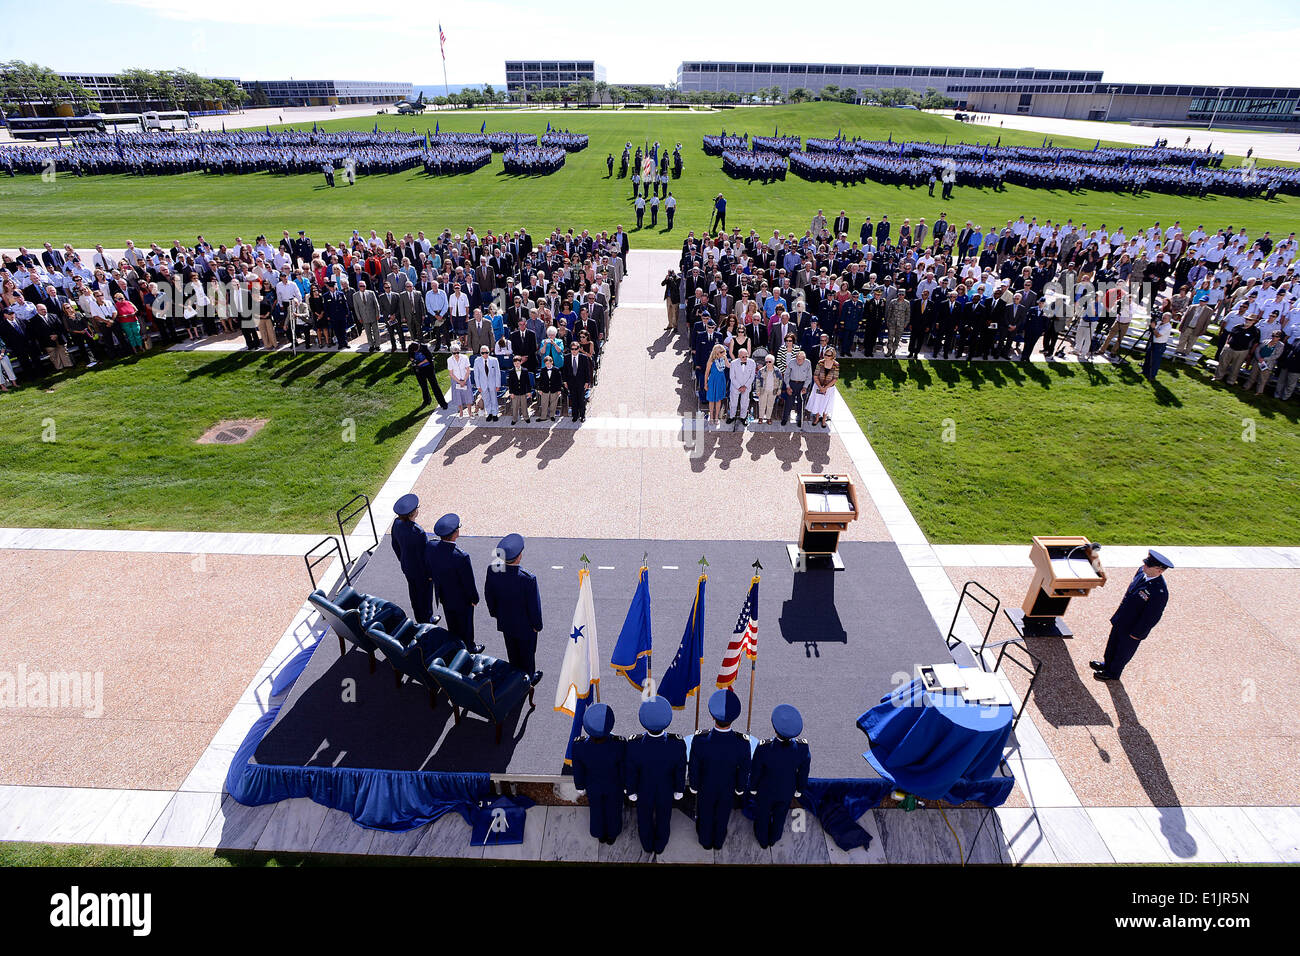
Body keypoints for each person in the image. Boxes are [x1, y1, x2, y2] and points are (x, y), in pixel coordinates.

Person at [1091, 550, 1172, 682]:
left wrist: (1137, 633)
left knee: (1123, 652)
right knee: (1112, 644)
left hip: (1133, 628)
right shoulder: (1141, 572)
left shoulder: (1159, 591)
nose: (1144, 566)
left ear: (1159, 571)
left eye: (1148, 565)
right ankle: (1107, 665)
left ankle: (1113, 673)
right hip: (1122, 619)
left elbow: (1152, 617)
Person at [687, 689, 751, 850]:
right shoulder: (742, 743)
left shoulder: (700, 740)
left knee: (705, 814)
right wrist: (739, 788)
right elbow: (744, 769)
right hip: (727, 789)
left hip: (705, 787)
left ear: (712, 716)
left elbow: (694, 767)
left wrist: (694, 786)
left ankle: (705, 841)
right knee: (722, 816)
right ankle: (718, 842)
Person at [624, 696, 686, 857]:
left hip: (643, 790)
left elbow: (631, 770)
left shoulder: (634, 744)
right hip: (666, 790)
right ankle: (660, 844)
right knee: (664, 818)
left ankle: (646, 844)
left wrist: (631, 791)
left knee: (644, 818)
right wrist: (679, 789)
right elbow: (680, 769)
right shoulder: (677, 744)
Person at [483, 532, 543, 684]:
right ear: (519, 556)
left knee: (512, 652)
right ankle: (528, 681)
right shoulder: (528, 579)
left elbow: (489, 595)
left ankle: (514, 681)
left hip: (505, 621)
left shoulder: (493, 570)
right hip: (525, 627)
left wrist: (495, 613)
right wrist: (537, 626)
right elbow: (534, 606)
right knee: (528, 656)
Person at [750, 704, 811, 849]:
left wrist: (753, 787)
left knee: (762, 815)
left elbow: (756, 770)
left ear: (775, 728)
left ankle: (762, 839)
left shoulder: (764, 747)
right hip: (786, 791)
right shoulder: (802, 748)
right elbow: (804, 771)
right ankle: (774, 837)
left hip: (765, 791)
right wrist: (799, 789)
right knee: (780, 815)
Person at [570, 702, 625, 845]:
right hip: (614, 785)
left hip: (593, 785)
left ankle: (599, 834)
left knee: (596, 810)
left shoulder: (579, 745)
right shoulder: (620, 744)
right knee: (614, 810)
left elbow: (578, 767)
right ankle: (612, 834)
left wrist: (580, 786)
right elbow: (624, 766)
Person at [426, 513, 482, 652]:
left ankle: (455, 647)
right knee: (466, 626)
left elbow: (428, 565)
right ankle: (469, 648)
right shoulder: (461, 556)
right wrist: (474, 598)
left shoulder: (431, 545)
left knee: (452, 624)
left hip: (444, 595)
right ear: (456, 533)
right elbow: (468, 582)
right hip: (462, 600)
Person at [390, 493, 434, 624]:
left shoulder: (396, 523)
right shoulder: (418, 532)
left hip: (407, 567)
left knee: (414, 594)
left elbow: (395, 545)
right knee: (425, 596)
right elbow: (424, 556)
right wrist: (429, 574)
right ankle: (427, 621)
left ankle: (420, 618)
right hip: (421, 572)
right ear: (413, 513)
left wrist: (403, 560)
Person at [407, 341, 447, 409]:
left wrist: (420, 363)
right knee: (423, 385)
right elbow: (410, 356)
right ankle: (427, 400)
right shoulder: (410, 348)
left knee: (434, 385)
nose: (416, 351)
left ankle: (442, 403)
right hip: (419, 370)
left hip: (428, 368)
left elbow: (429, 358)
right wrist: (413, 360)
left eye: (417, 350)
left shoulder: (424, 347)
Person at [806, 348, 839, 428]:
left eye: (829, 355)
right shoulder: (820, 363)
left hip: (829, 388)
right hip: (818, 386)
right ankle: (817, 418)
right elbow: (815, 375)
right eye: (825, 354)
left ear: (832, 356)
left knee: (826, 403)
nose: (826, 356)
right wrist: (820, 387)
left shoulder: (836, 364)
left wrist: (825, 388)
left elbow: (835, 378)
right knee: (818, 402)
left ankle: (824, 419)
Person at [562, 339, 593, 422]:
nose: (574, 351)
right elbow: (564, 370)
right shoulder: (567, 357)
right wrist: (565, 381)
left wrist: (587, 382)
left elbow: (587, 371)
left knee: (581, 399)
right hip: (571, 382)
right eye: (572, 349)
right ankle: (575, 415)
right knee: (573, 399)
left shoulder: (583, 357)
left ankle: (582, 415)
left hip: (581, 382)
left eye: (576, 349)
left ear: (579, 349)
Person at [782, 349, 812, 426]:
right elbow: (786, 375)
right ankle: (785, 418)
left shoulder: (808, 363)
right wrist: (788, 386)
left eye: (800, 359)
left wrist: (805, 387)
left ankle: (799, 419)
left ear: (804, 359)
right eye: (797, 359)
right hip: (792, 383)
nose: (798, 361)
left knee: (801, 403)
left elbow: (809, 377)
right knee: (788, 402)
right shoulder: (791, 362)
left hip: (802, 385)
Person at [727, 347, 755, 425]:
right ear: (739, 356)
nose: (745, 358)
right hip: (735, 387)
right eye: (743, 356)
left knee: (745, 403)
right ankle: (732, 416)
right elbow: (732, 377)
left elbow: (752, 376)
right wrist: (739, 387)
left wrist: (745, 386)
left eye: (746, 356)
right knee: (733, 403)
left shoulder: (752, 362)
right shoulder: (733, 363)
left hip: (747, 387)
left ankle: (743, 417)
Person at [473, 345, 501, 421]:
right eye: (483, 353)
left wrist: (498, 384)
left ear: (489, 352)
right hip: (483, 384)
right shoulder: (477, 361)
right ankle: (489, 413)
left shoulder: (494, 360)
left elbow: (497, 373)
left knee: (494, 398)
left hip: (493, 383)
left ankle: (495, 414)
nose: (485, 354)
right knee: (486, 399)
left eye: (486, 352)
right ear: (480, 353)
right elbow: (476, 374)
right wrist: (478, 386)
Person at [1142, 312, 1173, 381]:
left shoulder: (1167, 326)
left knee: (1155, 361)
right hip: (1153, 342)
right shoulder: (1159, 323)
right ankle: (1145, 371)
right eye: (1163, 317)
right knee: (1148, 357)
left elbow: (1158, 335)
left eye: (1165, 318)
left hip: (1160, 345)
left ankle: (1152, 375)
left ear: (1169, 319)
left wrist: (1153, 328)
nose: (1163, 319)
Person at [535, 352, 564, 421]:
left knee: (553, 403)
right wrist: (540, 389)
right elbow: (540, 380)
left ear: (552, 362)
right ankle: (543, 417)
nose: (547, 365)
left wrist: (559, 389)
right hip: (545, 389)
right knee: (544, 403)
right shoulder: (543, 370)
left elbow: (559, 380)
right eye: (546, 364)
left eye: (549, 363)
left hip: (554, 389)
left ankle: (552, 415)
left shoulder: (556, 370)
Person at [447, 341, 473, 416]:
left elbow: (468, 370)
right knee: (458, 397)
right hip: (456, 380)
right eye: (454, 353)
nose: (456, 355)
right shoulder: (449, 360)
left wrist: (464, 380)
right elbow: (451, 373)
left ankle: (470, 412)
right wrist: (459, 381)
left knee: (468, 396)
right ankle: (461, 412)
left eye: (457, 352)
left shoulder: (465, 358)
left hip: (466, 379)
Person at [506, 354, 533, 424]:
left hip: (523, 391)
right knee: (515, 406)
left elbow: (527, 382)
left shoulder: (525, 370)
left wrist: (529, 391)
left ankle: (526, 417)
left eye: (518, 363)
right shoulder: (511, 371)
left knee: (524, 405)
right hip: (515, 392)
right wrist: (511, 392)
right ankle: (514, 419)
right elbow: (510, 383)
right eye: (515, 363)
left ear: (521, 362)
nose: (516, 365)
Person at [705, 343, 729, 423]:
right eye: (721, 352)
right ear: (717, 352)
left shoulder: (724, 358)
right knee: (711, 400)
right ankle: (711, 417)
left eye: (723, 351)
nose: (723, 353)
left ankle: (716, 417)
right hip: (713, 380)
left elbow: (729, 365)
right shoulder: (711, 360)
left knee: (718, 399)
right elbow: (707, 373)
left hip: (721, 380)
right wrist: (705, 383)